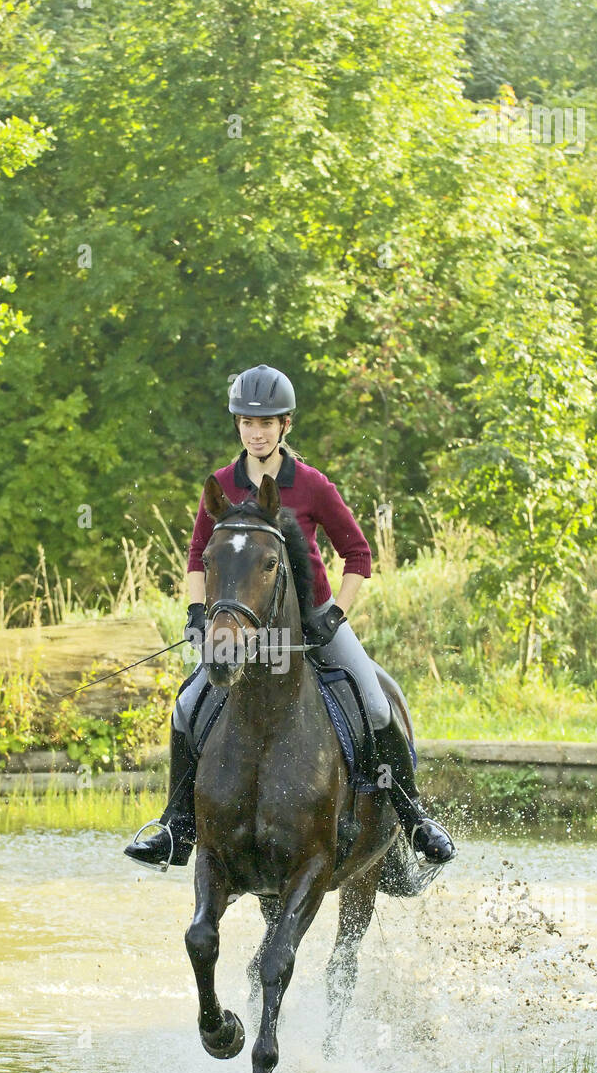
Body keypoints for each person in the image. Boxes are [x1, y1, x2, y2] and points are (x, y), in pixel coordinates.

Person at [125, 364, 455, 867]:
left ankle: (413, 818)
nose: (256, 433)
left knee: (376, 702)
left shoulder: (312, 485)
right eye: (247, 423)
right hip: (239, 626)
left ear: (285, 426)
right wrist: (197, 611)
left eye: (267, 423)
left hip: (313, 623)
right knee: (187, 705)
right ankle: (177, 827)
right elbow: (198, 556)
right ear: (238, 425)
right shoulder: (219, 485)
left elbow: (359, 555)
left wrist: (336, 614)